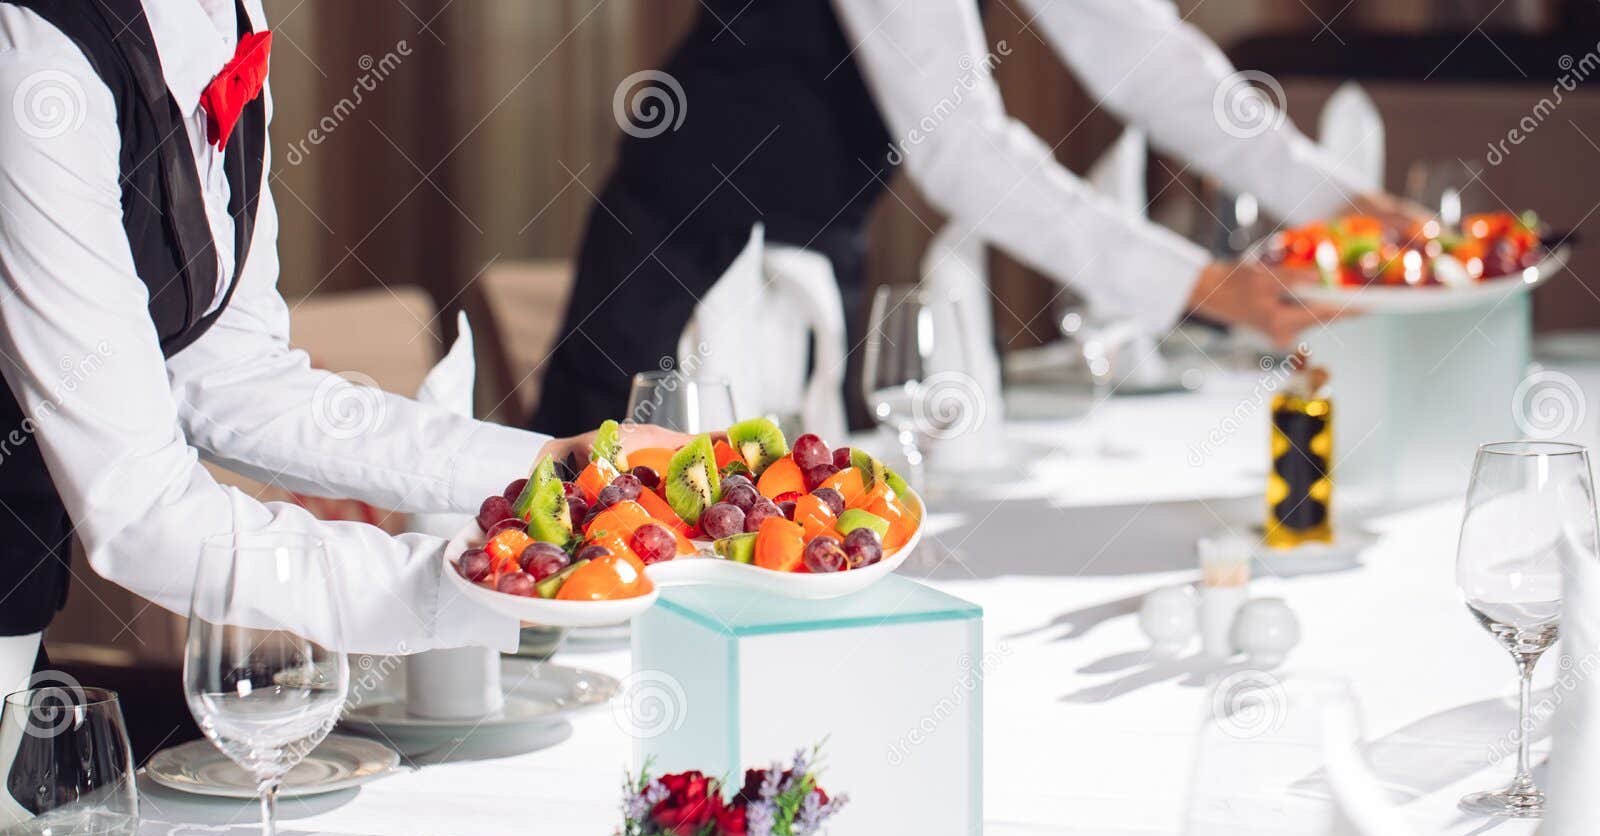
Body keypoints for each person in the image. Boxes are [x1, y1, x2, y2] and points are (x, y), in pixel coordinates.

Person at [0, 0, 668, 694]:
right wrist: (488, 582)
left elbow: (231, 376)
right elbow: (141, 516)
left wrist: (552, 465)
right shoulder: (36, 67)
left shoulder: (223, 18)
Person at [536, 0, 1415, 437]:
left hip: (821, 245)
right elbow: (961, 148)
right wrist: (1210, 286)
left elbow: (1143, 56)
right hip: (686, 247)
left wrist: (1338, 202)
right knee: (614, 549)